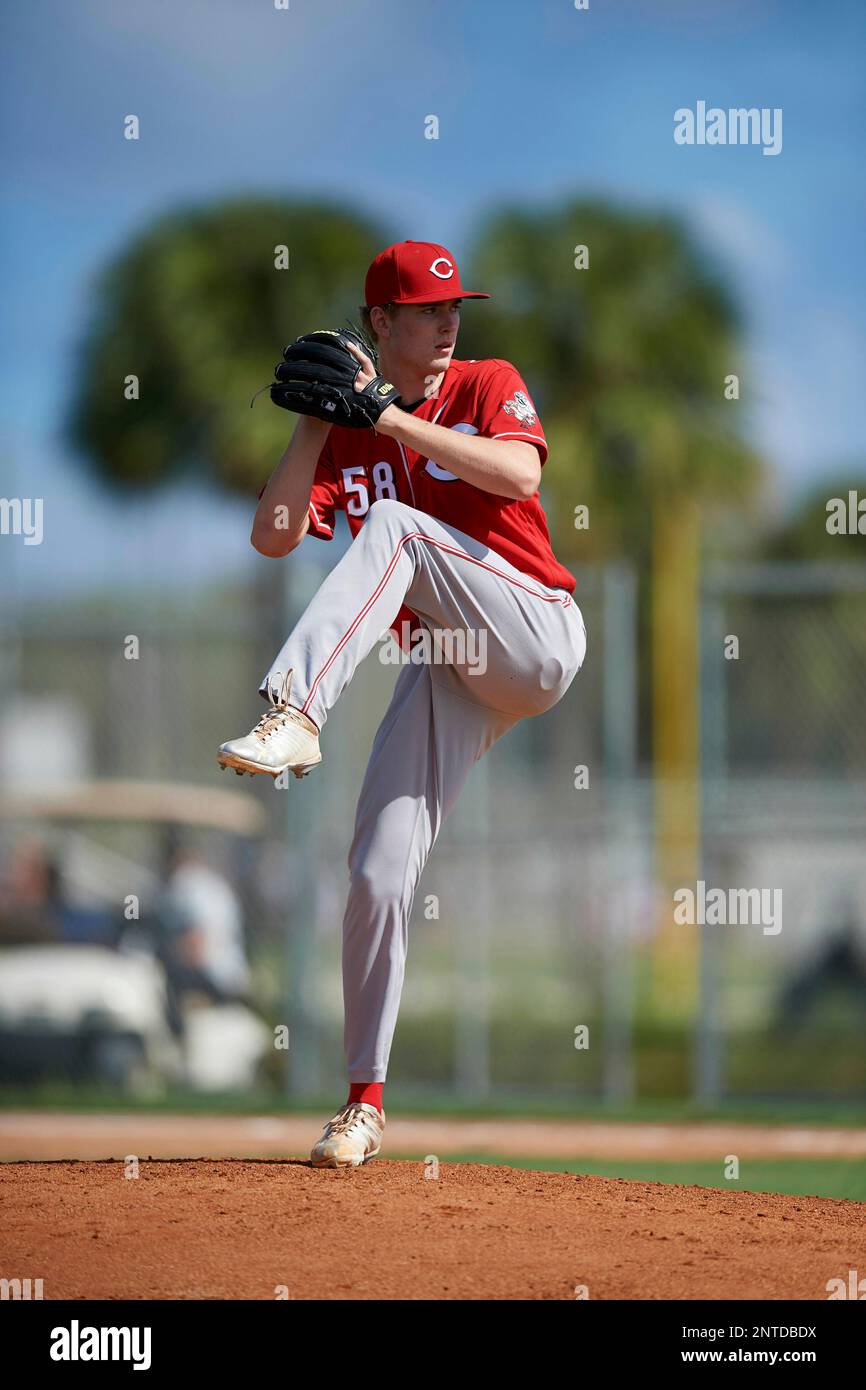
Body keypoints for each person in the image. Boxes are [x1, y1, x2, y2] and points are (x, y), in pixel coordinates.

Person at [218, 240, 586, 1166]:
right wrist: (314, 420)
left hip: (536, 631)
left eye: (454, 305)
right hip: (452, 668)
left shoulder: (484, 381)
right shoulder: (353, 426)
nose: (448, 321)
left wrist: (389, 420)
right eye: (425, 310)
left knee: (395, 526)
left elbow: (520, 476)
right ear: (380, 322)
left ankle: (296, 709)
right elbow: (272, 537)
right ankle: (363, 1103)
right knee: (378, 874)